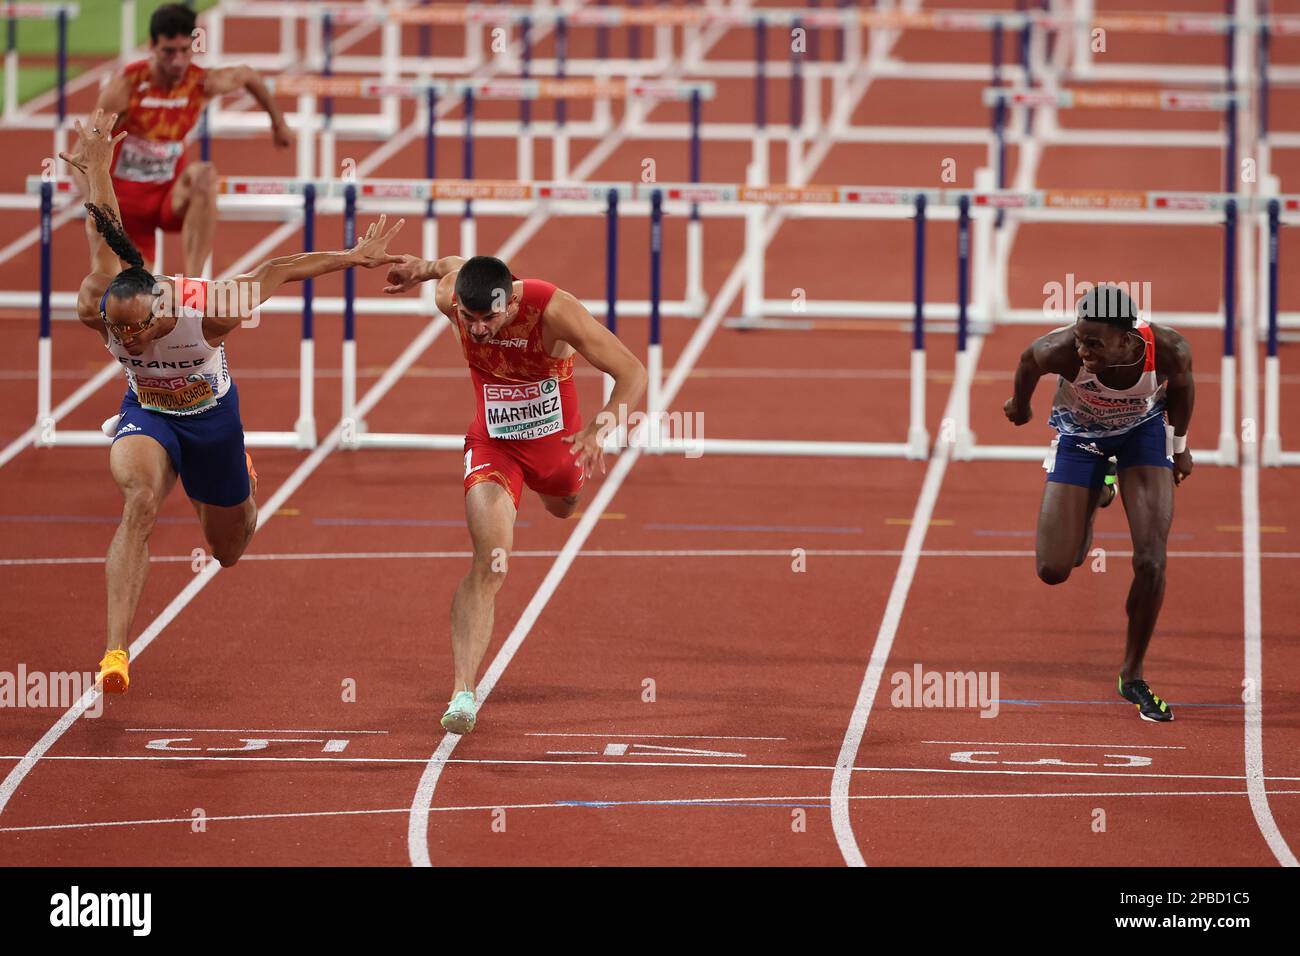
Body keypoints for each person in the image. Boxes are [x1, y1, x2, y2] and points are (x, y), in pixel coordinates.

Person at [65, 110, 404, 694]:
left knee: (227, 551)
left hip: (213, 421)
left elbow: (279, 269)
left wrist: (354, 256)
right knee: (139, 501)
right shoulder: (101, 307)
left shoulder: (211, 307)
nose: (129, 340)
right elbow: (108, 231)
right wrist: (98, 165)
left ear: (161, 310)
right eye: (120, 334)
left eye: (139, 331)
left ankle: (241, 480)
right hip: (148, 414)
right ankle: (116, 652)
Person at [383, 254, 648, 734]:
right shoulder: (452, 296)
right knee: (490, 559)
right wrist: (419, 270)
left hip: (557, 444)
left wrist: (600, 430)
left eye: (490, 318)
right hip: (493, 444)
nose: (479, 330)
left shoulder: (554, 309)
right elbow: (451, 266)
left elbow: (632, 372)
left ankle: (561, 493)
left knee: (565, 504)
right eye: (470, 319)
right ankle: (463, 692)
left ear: (511, 300)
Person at [1004, 284, 1194, 722]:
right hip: (1080, 438)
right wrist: (1021, 405)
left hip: (1141, 435)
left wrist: (1180, 448)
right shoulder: (1061, 351)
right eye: (1078, 338)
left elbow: (1183, 390)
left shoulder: (1168, 349)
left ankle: (1132, 674)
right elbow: (1027, 362)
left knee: (1152, 561)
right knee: (1054, 568)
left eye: (1093, 342)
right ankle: (1096, 490)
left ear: (1128, 340)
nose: (1082, 350)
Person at [87, 2, 292, 275]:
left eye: (185, 50)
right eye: (168, 52)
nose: (178, 61)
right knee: (134, 304)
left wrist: (278, 123)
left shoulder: (199, 83)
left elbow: (247, 75)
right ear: (152, 46)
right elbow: (84, 151)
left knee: (204, 175)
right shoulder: (126, 86)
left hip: (168, 199)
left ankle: (194, 285)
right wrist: (95, 207)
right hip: (125, 210)